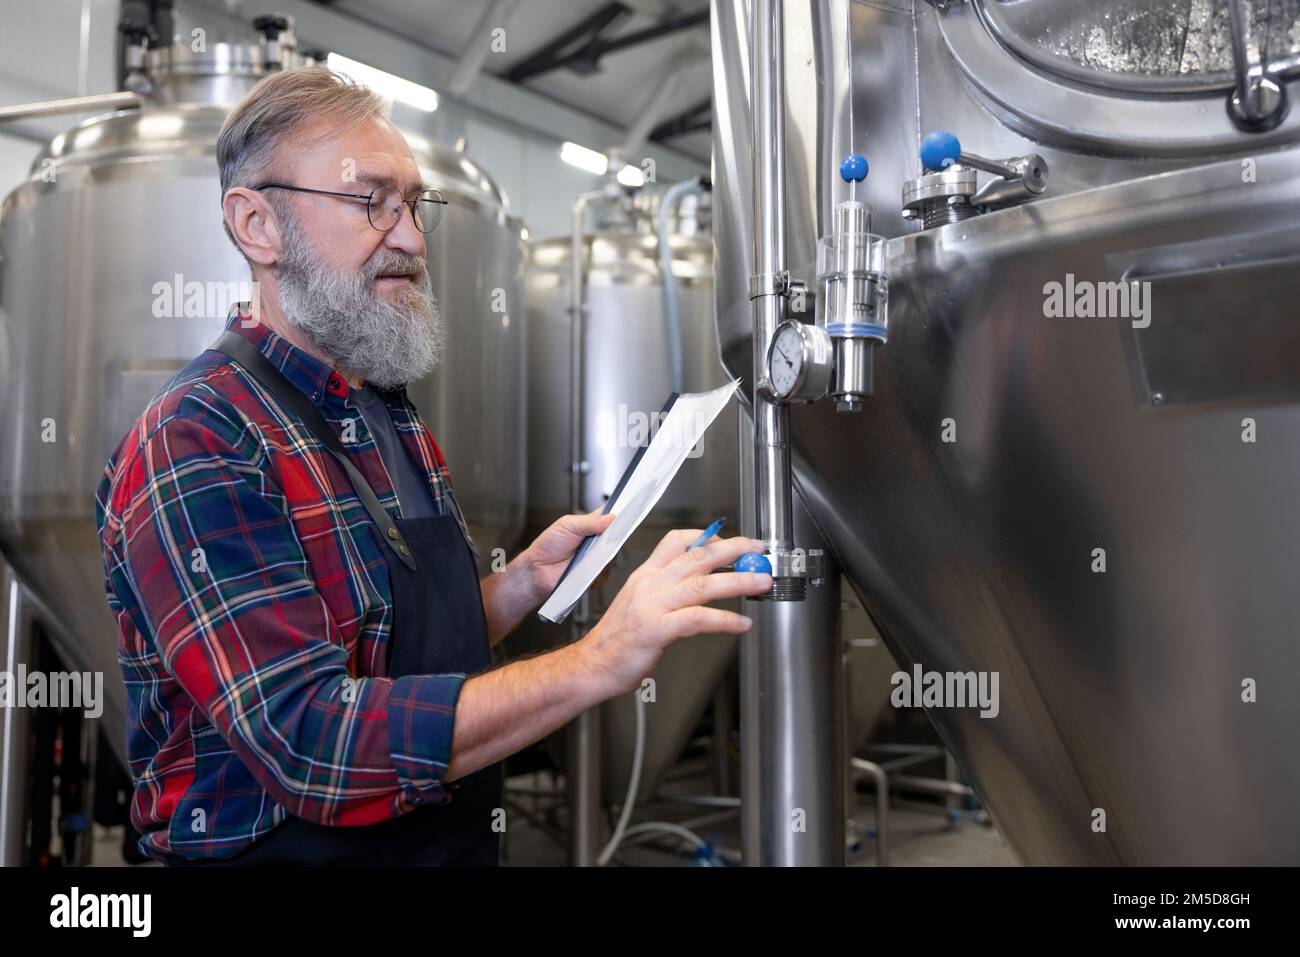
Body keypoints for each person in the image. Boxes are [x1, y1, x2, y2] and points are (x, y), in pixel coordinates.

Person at [94, 66, 769, 866]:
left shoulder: (384, 407)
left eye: (414, 204)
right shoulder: (197, 438)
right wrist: (595, 661)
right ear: (257, 226)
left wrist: (518, 584)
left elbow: (383, 645)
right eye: (371, 200)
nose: (411, 237)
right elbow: (311, 742)